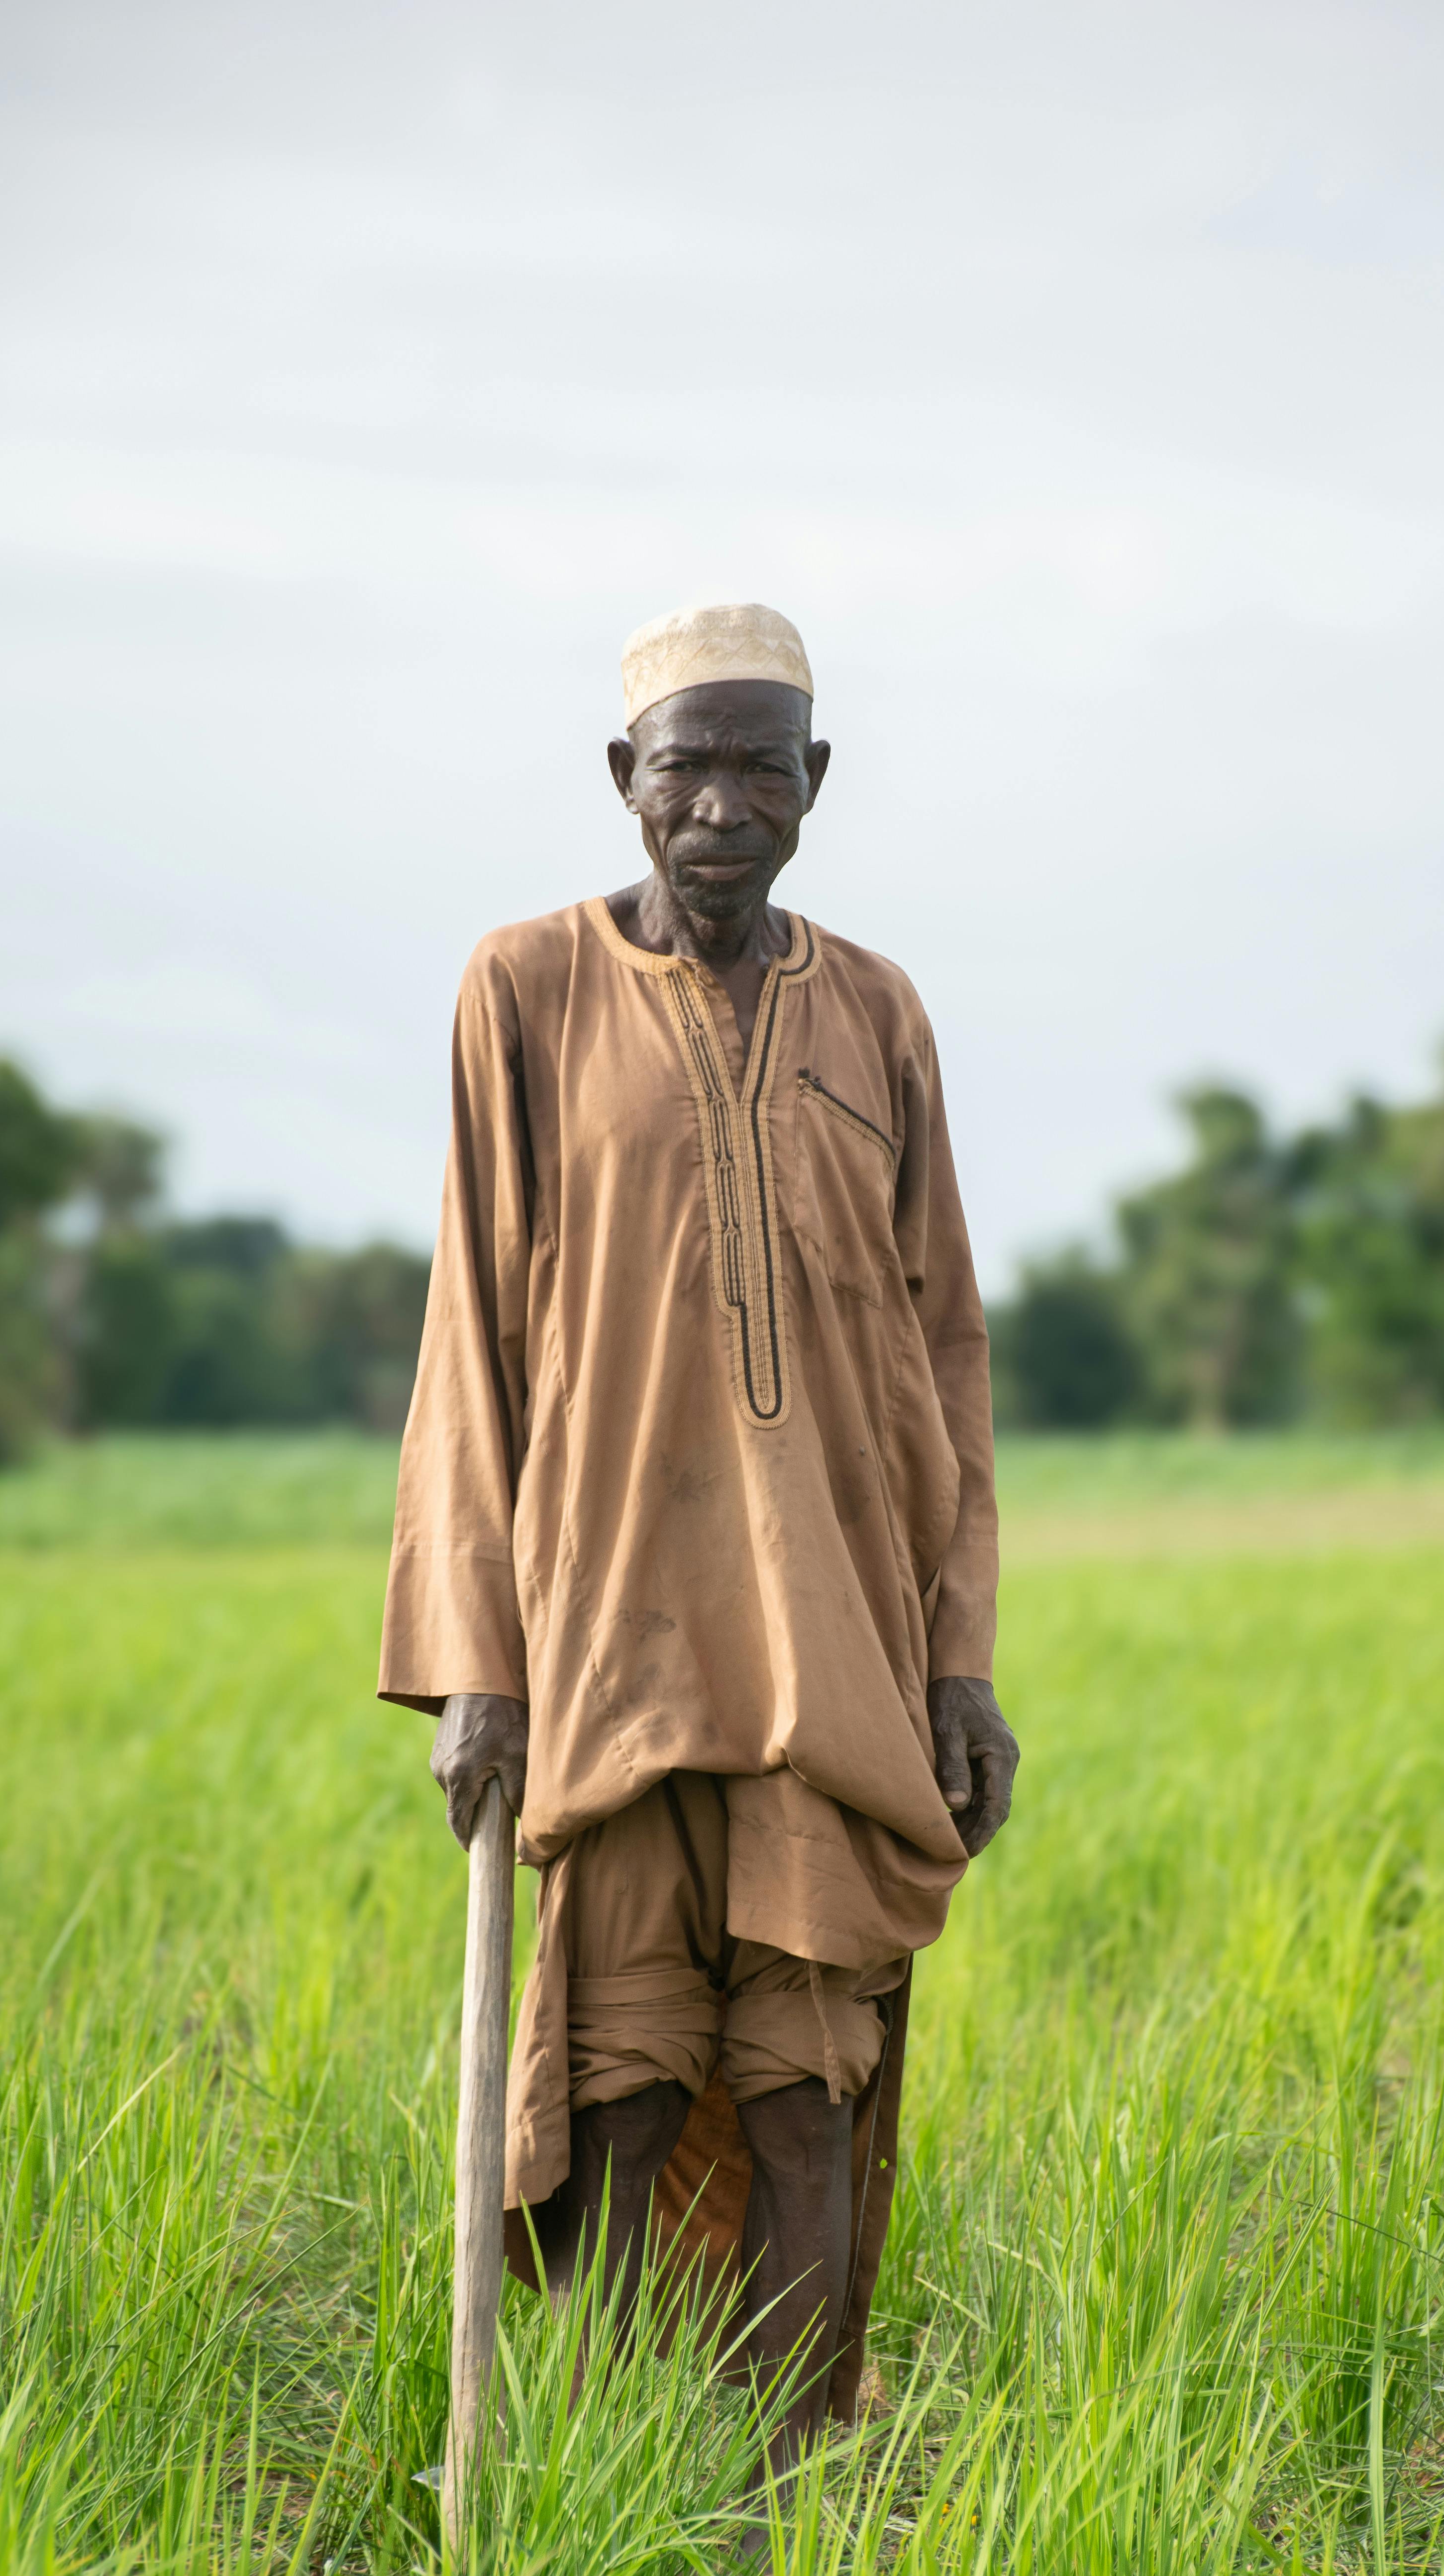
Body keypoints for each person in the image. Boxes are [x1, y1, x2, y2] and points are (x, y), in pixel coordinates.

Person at [380, 599, 1017, 2476]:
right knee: (620, 2075)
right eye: (689, 767)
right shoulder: (526, 988)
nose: (723, 806)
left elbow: (946, 1341)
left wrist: (958, 1653)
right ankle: (601, 2475)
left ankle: (789, 2487)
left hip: (842, 1647)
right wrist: (476, 1666)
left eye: (763, 766)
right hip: (608, 1639)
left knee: (811, 2081)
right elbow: (470, 1336)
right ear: (624, 783)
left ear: (817, 786)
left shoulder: (879, 1010)